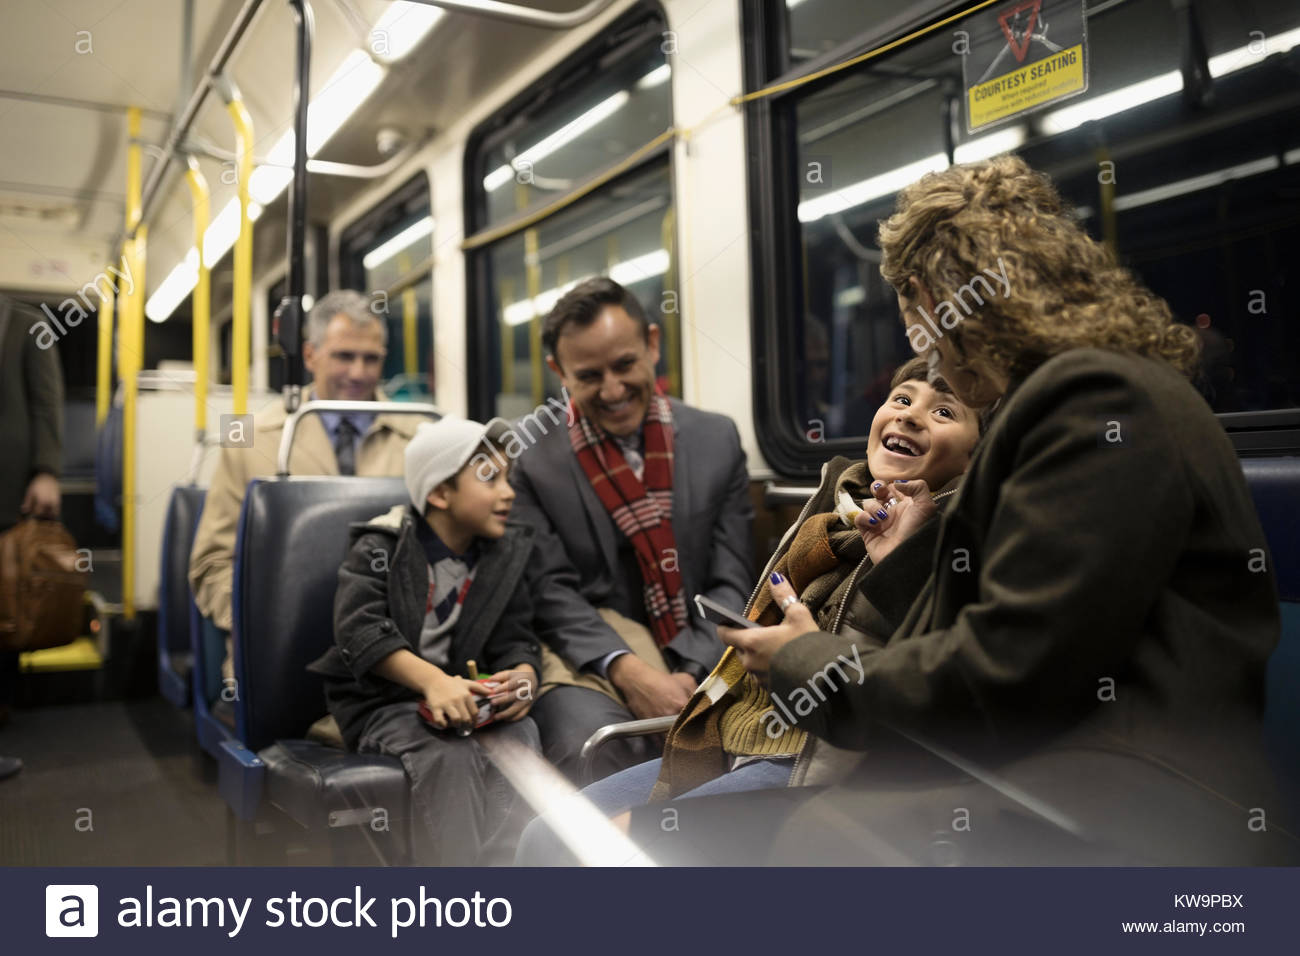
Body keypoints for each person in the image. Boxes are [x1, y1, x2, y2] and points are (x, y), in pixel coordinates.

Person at [617, 155, 1293, 866]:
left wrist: (803, 660)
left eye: (917, 327)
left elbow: (1008, 672)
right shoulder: (1074, 396)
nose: (932, 367)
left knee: (686, 846)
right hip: (1047, 771)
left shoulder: (1094, 399)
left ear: (925, 299)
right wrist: (909, 557)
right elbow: (1012, 623)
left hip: (1127, 804)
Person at [517, 358, 981, 862]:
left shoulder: (959, 540)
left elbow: (932, 683)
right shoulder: (833, 505)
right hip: (739, 727)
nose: (910, 417)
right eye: (903, 399)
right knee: (543, 836)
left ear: (975, 457)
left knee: (611, 844)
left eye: (944, 412)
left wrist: (893, 573)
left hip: (816, 756)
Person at [510, 277, 753, 782]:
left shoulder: (716, 440)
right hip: (589, 656)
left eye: (624, 365)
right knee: (593, 747)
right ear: (559, 373)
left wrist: (688, 670)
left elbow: (731, 580)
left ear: (653, 345)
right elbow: (551, 593)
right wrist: (627, 668)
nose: (613, 390)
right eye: (589, 376)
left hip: (702, 645)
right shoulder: (532, 462)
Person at [308, 416, 543, 865]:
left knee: (523, 732)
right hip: (383, 703)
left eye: (508, 478)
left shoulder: (501, 556)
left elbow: (517, 635)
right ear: (439, 494)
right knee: (447, 757)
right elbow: (359, 631)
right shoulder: (382, 546)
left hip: (467, 703)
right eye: (491, 478)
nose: (508, 492)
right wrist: (433, 681)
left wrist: (523, 674)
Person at [189, 290, 419, 693]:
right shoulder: (249, 438)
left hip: (394, 651)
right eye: (344, 356)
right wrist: (264, 615)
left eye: (372, 358)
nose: (359, 372)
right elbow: (211, 562)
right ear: (310, 356)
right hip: (280, 649)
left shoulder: (418, 436)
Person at [0, 294, 66, 782]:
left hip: (7, 488)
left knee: (6, 603)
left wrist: (45, 470)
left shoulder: (22, 322)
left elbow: (46, 401)